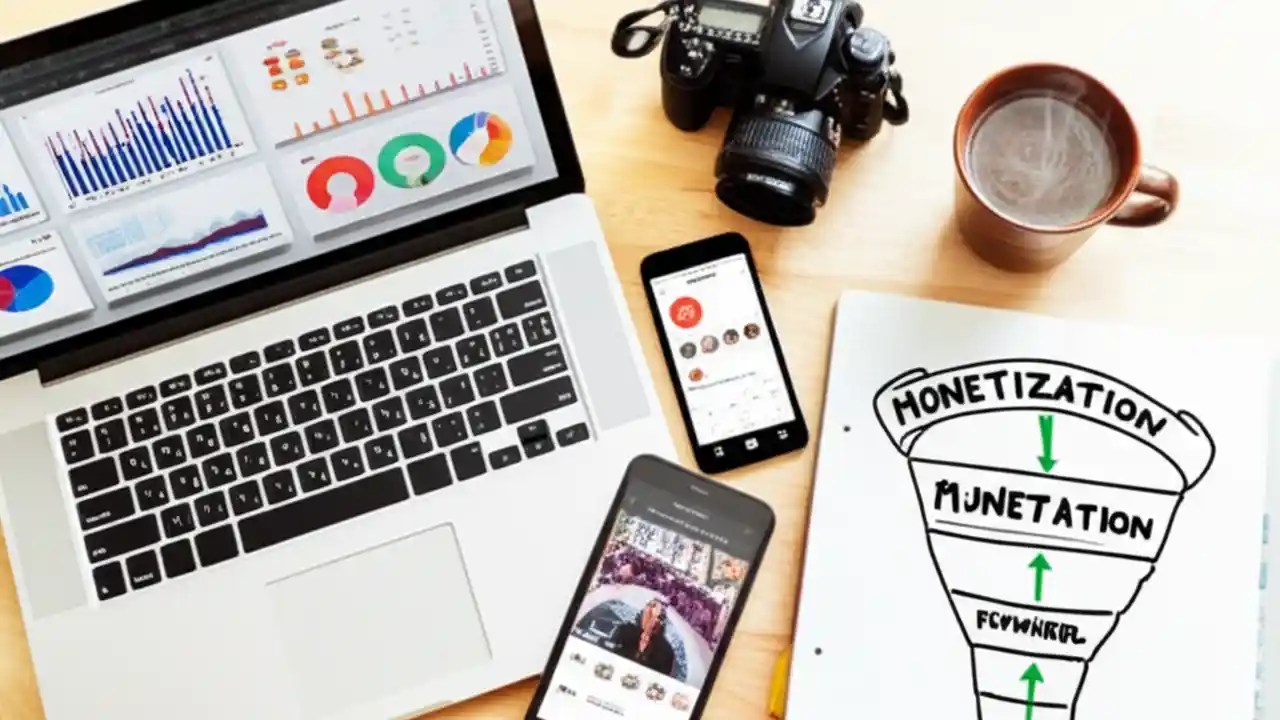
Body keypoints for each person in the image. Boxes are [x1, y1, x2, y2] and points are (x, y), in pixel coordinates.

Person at [612, 598, 677, 676]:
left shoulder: (666, 652)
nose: (652, 621)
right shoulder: (625, 632)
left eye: (658, 618)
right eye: (649, 614)